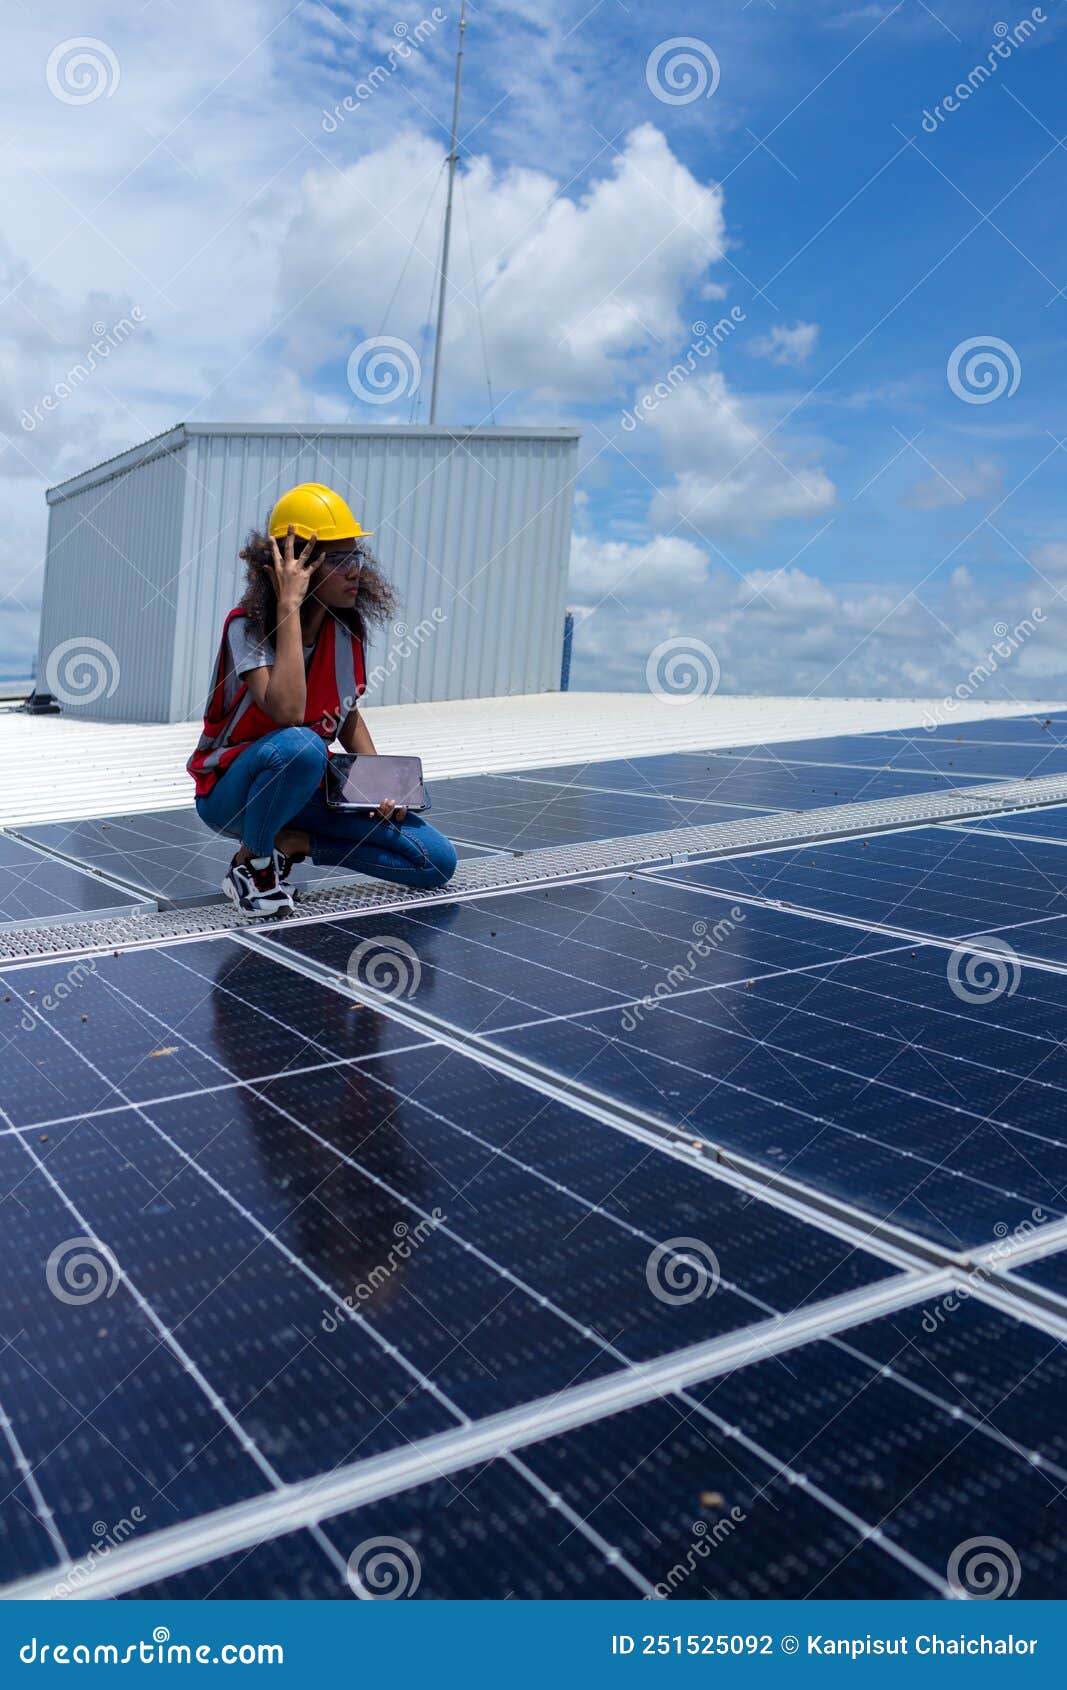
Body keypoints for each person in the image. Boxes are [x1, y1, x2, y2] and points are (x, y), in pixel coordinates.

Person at [188, 481, 457, 916]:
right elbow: (289, 711)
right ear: (295, 565)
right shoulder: (247, 628)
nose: (355, 571)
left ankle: (293, 843)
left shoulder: (345, 631)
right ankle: (252, 865)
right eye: (338, 560)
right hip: (233, 793)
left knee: (436, 861)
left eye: (356, 557)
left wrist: (379, 788)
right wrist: (289, 607)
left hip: (308, 790)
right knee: (303, 746)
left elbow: (347, 716)